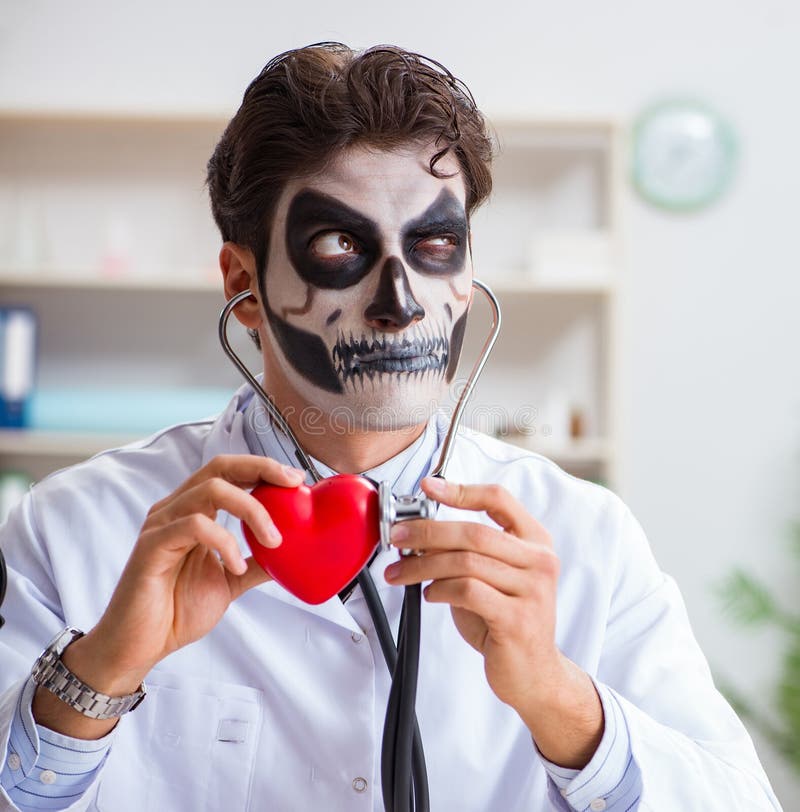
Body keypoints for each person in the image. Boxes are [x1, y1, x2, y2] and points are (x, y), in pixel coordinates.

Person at [0, 43, 781, 812]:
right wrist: (96, 675)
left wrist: (557, 695)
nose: (400, 302)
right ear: (243, 283)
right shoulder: (74, 527)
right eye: (340, 244)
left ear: (469, 278)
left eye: (435, 244)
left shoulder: (585, 536)